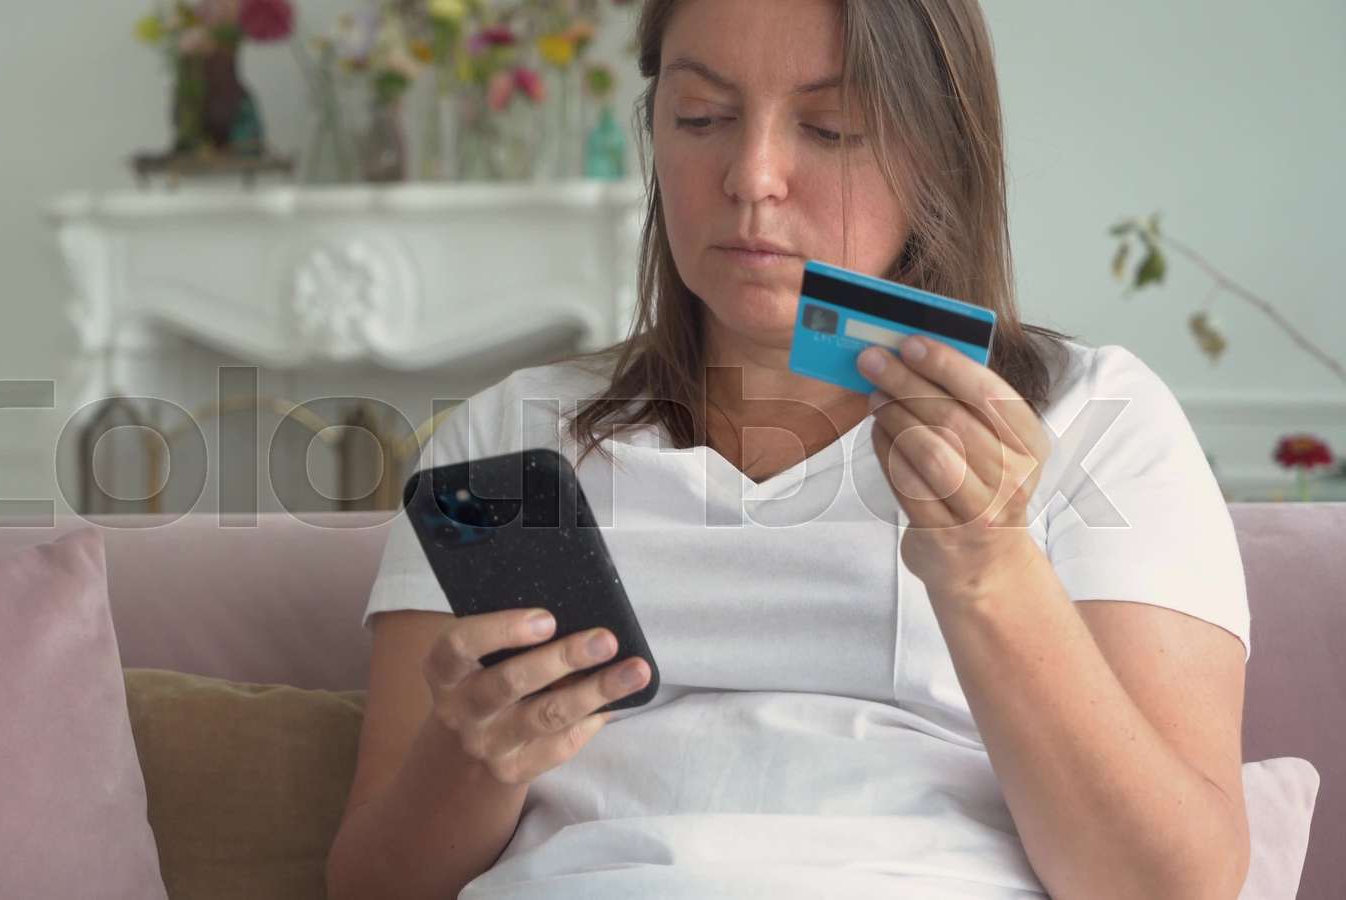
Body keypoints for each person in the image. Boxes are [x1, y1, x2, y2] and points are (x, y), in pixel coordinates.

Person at [326, 1, 1252, 898]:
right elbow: (373, 887)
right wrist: (472, 753)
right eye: (703, 117)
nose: (752, 176)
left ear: (944, 152)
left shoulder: (1098, 420)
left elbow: (1170, 888)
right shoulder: (509, 437)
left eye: (833, 128)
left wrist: (989, 567)